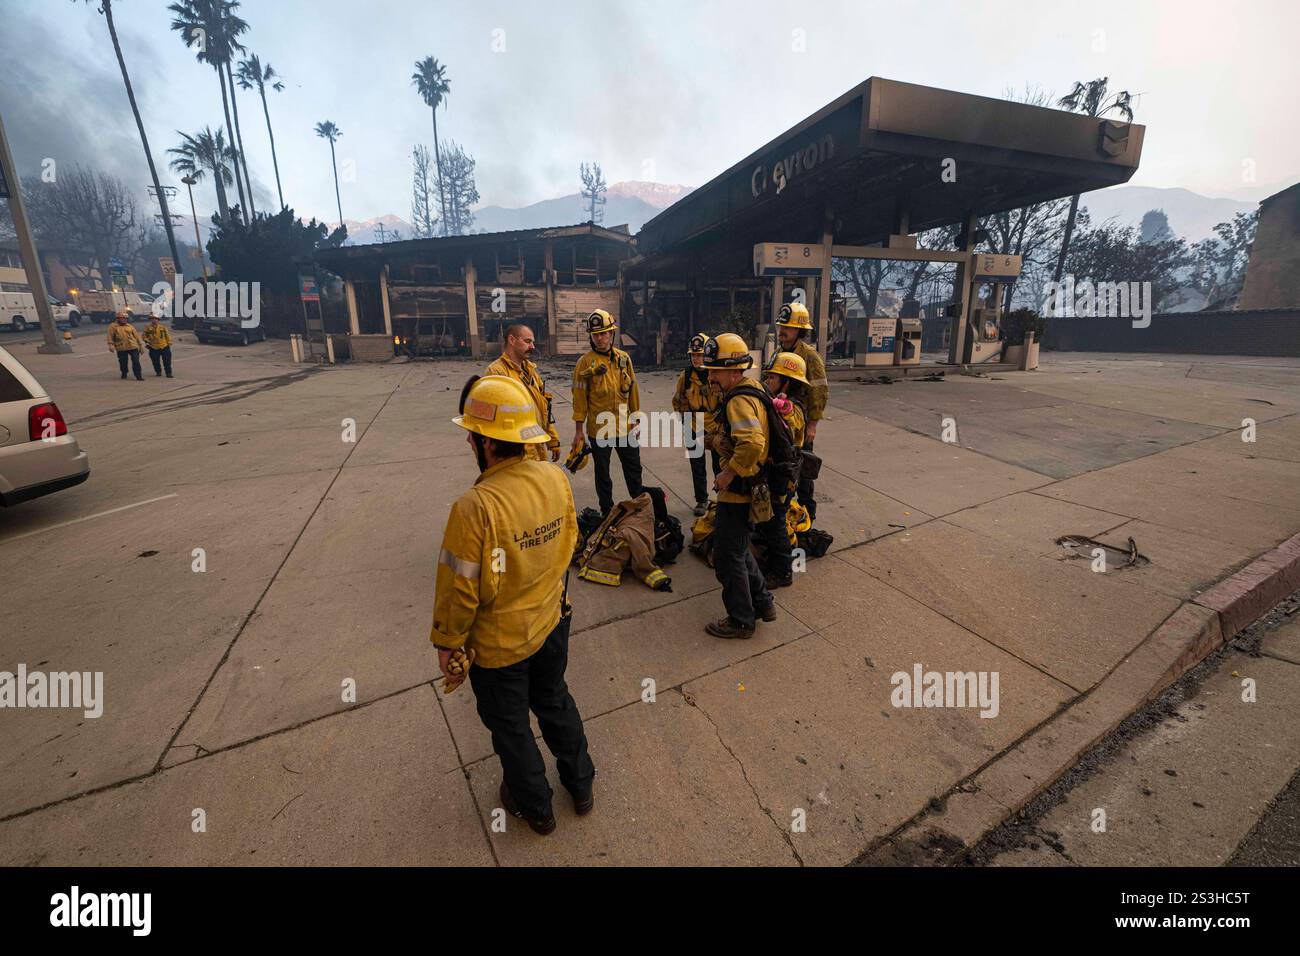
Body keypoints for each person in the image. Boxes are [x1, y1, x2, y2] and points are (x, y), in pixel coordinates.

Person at [430, 374, 594, 836]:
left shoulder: (475, 507)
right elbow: (568, 543)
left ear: (486, 443)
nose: (467, 438)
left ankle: (535, 807)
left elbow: (459, 591)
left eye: (472, 433)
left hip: (501, 647)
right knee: (555, 700)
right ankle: (581, 786)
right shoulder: (554, 477)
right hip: (552, 621)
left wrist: (447, 643)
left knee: (512, 728)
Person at [700, 332, 778, 640]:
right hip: (754, 484)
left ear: (734, 370)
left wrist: (727, 475)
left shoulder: (738, 400)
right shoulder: (753, 388)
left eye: (715, 371)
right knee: (739, 548)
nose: (711, 377)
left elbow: (751, 444)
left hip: (739, 489)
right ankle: (763, 603)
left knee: (725, 556)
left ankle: (741, 620)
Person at [570, 309, 643, 515]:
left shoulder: (623, 359)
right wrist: (578, 430)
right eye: (596, 334)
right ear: (591, 336)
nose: (600, 338)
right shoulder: (584, 363)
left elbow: (633, 390)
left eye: (604, 333)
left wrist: (636, 418)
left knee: (634, 470)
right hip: (599, 428)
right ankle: (607, 512)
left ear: (612, 334)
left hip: (625, 426)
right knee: (603, 474)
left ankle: (639, 507)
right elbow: (579, 398)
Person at [756, 351, 810, 589]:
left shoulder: (794, 408)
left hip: (783, 475)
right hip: (775, 472)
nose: (768, 382)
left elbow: (792, 418)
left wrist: (782, 406)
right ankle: (774, 561)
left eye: (773, 379)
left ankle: (783, 572)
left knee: (776, 521)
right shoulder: (774, 402)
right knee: (768, 520)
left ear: (787, 382)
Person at [776, 302, 828, 520]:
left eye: (787, 327)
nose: (782, 331)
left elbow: (820, 390)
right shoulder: (780, 352)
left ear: (800, 330)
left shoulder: (810, 356)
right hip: (784, 421)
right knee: (785, 469)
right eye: (781, 326)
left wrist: (813, 424)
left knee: (803, 473)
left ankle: (808, 517)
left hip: (802, 423)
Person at [486, 323, 560, 462]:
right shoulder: (497, 372)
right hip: (517, 453)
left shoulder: (531, 371)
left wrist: (552, 439)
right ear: (512, 340)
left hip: (537, 447)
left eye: (532, 342)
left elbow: (544, 408)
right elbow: (492, 421)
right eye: (528, 341)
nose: (532, 347)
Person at [672, 333, 721, 516]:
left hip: (715, 426)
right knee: (697, 466)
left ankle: (721, 499)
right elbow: (677, 400)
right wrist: (685, 421)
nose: (696, 359)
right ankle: (701, 500)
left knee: (720, 465)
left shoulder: (716, 374)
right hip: (693, 425)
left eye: (699, 355)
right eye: (693, 355)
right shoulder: (685, 377)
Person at [107, 311, 144, 381]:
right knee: (123, 362)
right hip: (121, 347)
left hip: (132, 346)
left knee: (136, 361)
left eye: (126, 318)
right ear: (118, 319)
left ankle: (138, 375)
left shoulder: (130, 326)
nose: (124, 320)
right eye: (122, 318)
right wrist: (110, 345)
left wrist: (140, 346)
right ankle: (124, 372)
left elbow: (136, 337)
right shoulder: (112, 326)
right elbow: (110, 336)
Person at [143, 313, 174, 378]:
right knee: (155, 361)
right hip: (153, 347)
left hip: (164, 346)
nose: (154, 320)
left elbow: (167, 335)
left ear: (158, 320)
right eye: (152, 319)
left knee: (167, 361)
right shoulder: (148, 328)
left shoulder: (163, 327)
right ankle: (158, 371)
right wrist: (147, 341)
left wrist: (169, 343)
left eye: (155, 319)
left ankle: (168, 373)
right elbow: (144, 336)